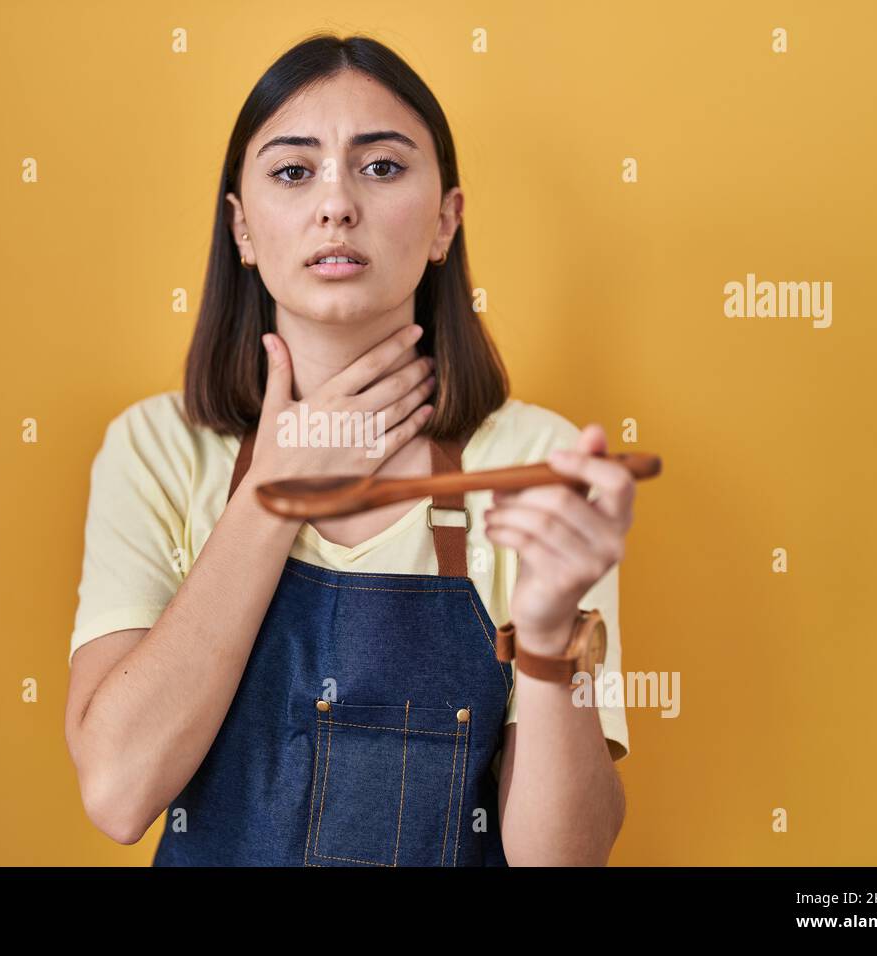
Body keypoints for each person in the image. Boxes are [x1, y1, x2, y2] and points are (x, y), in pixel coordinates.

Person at [63, 33, 637, 866]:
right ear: (243, 228)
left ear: (445, 220)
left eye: (381, 167)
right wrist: (272, 496)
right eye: (295, 172)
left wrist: (550, 641)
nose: (336, 204)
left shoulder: (537, 463)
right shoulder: (154, 450)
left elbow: (562, 860)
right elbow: (118, 791)